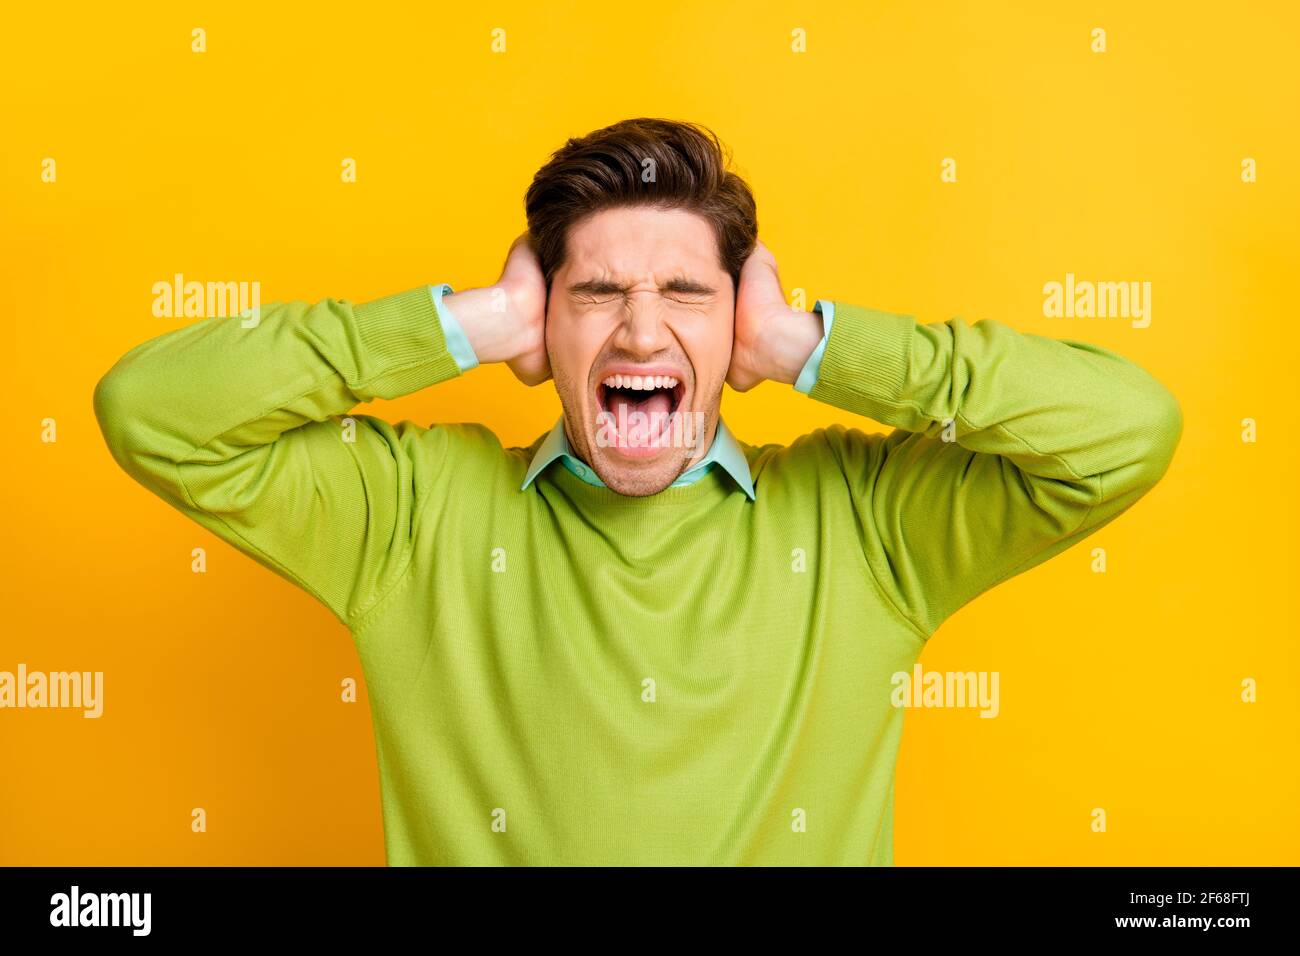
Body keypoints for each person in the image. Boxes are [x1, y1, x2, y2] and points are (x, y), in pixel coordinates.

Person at [93, 117, 1182, 865]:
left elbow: (1124, 430)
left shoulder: (867, 526)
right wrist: (460, 326)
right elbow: (152, 409)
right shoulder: (411, 514)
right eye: (598, 291)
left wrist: (813, 349)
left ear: (736, 326)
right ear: (545, 323)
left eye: (686, 294)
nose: (642, 329)